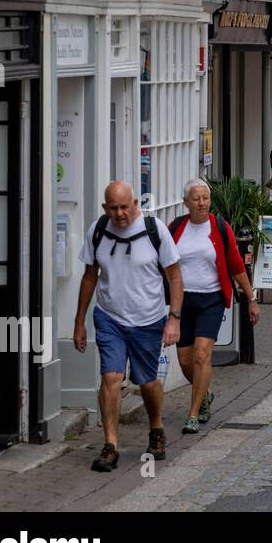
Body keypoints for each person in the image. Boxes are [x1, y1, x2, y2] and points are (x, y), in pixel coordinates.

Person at [72, 182, 183, 471]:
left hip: (148, 319)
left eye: (125, 207)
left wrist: (174, 318)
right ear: (104, 208)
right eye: (113, 208)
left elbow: (174, 277)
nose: (120, 214)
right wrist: (79, 322)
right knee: (111, 376)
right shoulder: (98, 230)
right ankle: (110, 445)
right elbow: (89, 277)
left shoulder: (154, 229)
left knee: (147, 382)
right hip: (110, 318)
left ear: (135, 203)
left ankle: (156, 427)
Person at [169, 179, 260, 435]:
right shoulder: (175, 228)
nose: (201, 203)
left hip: (212, 299)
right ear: (186, 202)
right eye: (196, 199)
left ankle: (194, 413)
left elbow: (236, 265)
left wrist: (251, 299)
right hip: (182, 300)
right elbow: (162, 262)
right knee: (185, 359)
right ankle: (205, 392)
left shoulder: (220, 228)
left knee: (201, 355)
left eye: (205, 198)